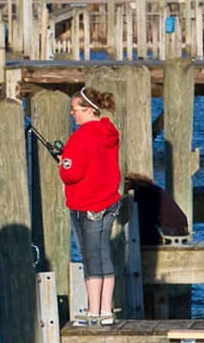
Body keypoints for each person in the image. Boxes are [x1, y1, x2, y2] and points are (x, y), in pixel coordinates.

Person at [59, 86, 121, 326]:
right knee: (104, 254)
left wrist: (62, 164)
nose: (72, 114)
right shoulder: (109, 132)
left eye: (74, 110)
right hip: (109, 203)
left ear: (87, 110)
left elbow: (71, 172)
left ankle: (94, 311)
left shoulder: (82, 136)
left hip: (87, 205)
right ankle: (106, 310)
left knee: (90, 257)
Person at [124, 172, 189, 245]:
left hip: (170, 232)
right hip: (179, 228)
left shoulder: (141, 193)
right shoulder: (150, 188)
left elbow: (143, 221)